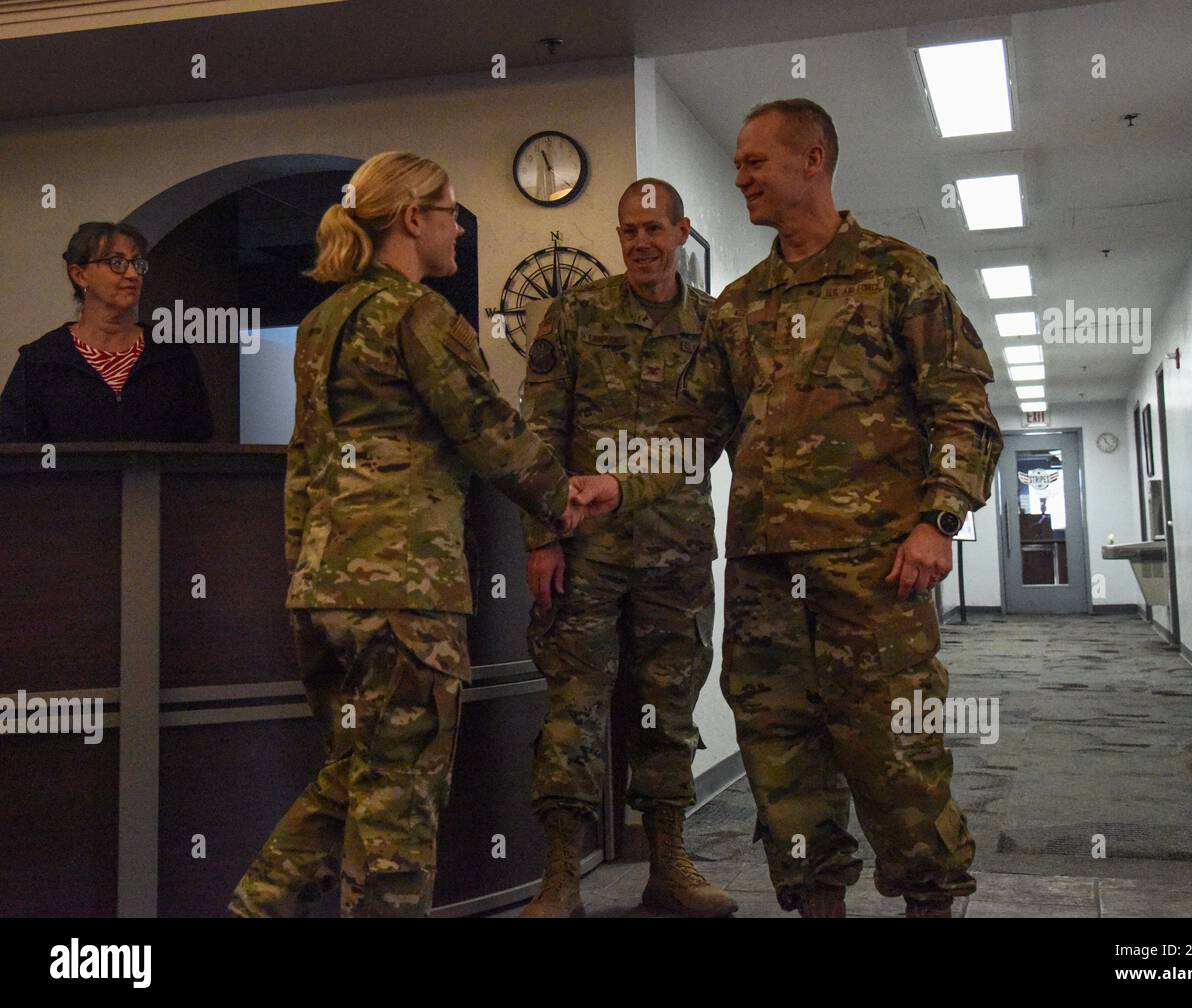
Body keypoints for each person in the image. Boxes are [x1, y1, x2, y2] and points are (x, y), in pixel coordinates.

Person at [229, 151, 607, 918]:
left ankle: (256, 908)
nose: (460, 228)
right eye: (451, 211)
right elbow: (489, 429)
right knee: (401, 803)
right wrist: (559, 499)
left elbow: (301, 469)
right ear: (412, 218)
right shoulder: (416, 316)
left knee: (356, 775)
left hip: (324, 592)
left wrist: (305, 573)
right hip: (405, 596)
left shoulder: (320, 323)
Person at [679, 99, 1003, 917]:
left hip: (874, 572)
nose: (741, 176)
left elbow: (962, 410)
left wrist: (941, 519)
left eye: (755, 161)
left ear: (812, 159)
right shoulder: (739, 304)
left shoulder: (899, 276)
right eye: (740, 165)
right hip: (764, 582)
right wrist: (618, 477)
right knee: (782, 761)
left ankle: (931, 903)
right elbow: (695, 433)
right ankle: (817, 904)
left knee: (894, 753)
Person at [517, 178, 736, 918]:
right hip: (588, 554)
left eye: (653, 228)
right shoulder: (575, 316)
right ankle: (560, 877)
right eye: (628, 231)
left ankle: (668, 862)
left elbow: (710, 439)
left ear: (681, 232)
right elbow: (538, 431)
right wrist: (541, 537)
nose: (641, 242)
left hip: (677, 556)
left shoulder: (716, 325)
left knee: (667, 709)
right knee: (572, 710)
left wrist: (628, 479)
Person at [0, 222, 212, 442]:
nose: (132, 274)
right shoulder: (42, 360)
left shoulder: (171, 355)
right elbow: (13, 446)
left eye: (137, 263)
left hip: (153, 477)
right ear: (80, 275)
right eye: (116, 262)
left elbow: (198, 445)